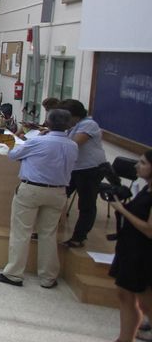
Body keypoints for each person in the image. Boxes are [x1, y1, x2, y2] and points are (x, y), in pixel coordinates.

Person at [0, 109, 78, 288]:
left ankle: (14, 274)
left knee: (22, 232)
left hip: (32, 189)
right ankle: (48, 277)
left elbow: (13, 155)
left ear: (48, 123)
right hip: (59, 192)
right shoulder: (72, 145)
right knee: (48, 234)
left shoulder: (38, 140)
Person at [93, 150, 152, 342]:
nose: (137, 166)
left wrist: (121, 210)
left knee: (147, 304)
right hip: (130, 249)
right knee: (124, 294)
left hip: (144, 254)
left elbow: (149, 230)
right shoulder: (145, 187)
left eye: (143, 163)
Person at [62, 99, 106, 248]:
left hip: (90, 169)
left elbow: (74, 144)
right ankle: (47, 230)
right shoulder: (76, 124)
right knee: (59, 196)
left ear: (76, 115)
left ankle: (79, 237)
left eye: (68, 117)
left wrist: (56, 136)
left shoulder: (89, 124)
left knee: (86, 204)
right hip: (75, 168)